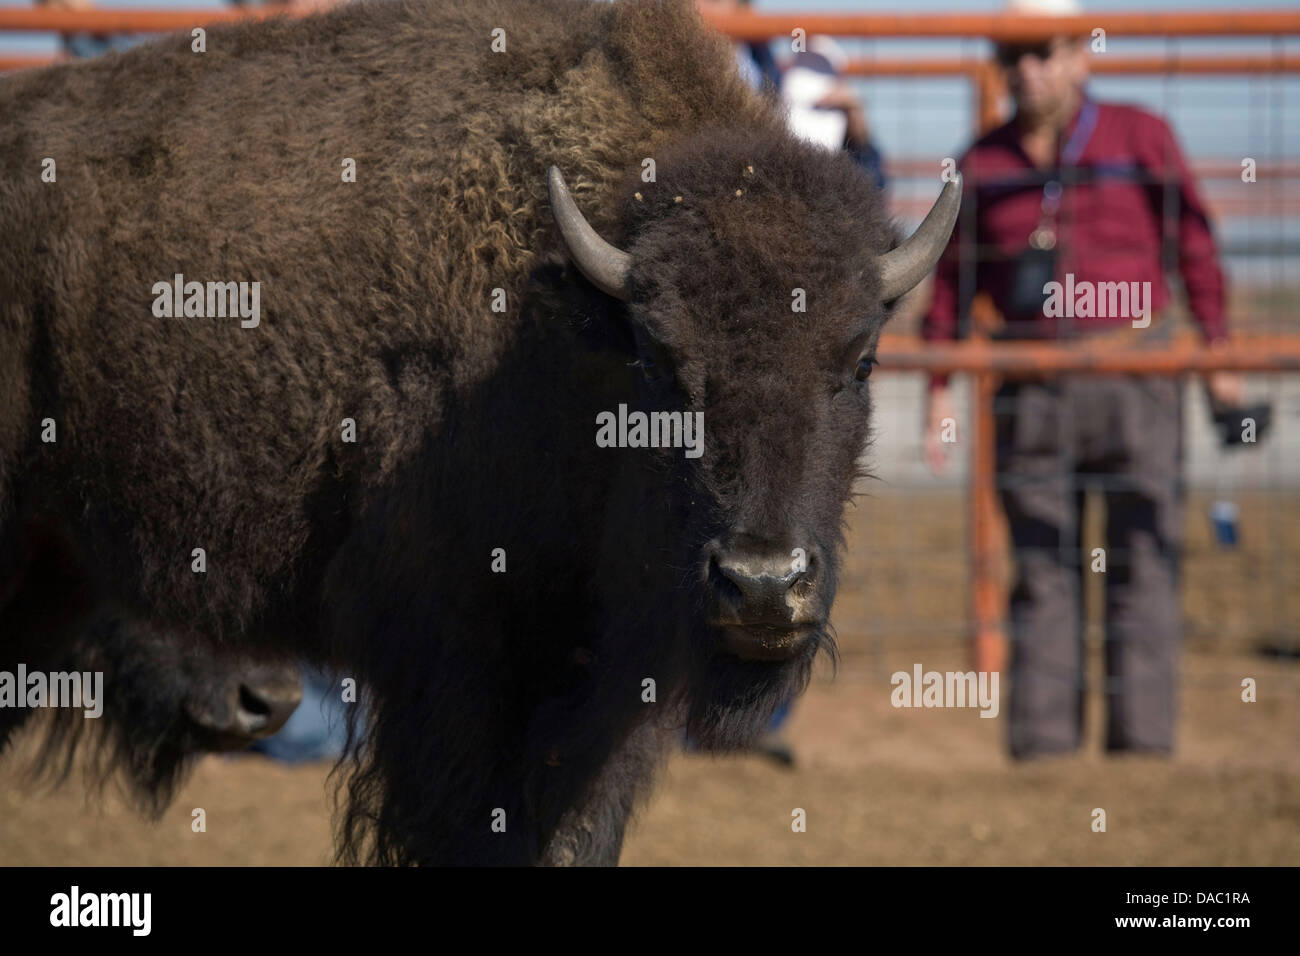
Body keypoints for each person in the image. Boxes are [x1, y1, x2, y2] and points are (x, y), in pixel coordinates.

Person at [920, 0, 1243, 760]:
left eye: (1043, 52)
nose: (1025, 71)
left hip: (1140, 375)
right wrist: (938, 390)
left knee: (1146, 562)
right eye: (1012, 56)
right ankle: (1044, 758)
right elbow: (949, 286)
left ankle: (1143, 753)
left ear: (1081, 55)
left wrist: (1218, 359)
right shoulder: (980, 164)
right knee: (1041, 568)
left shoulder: (1142, 138)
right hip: (1031, 388)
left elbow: (1195, 247)